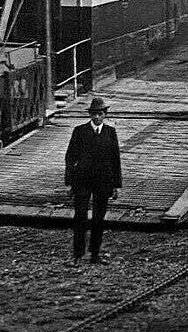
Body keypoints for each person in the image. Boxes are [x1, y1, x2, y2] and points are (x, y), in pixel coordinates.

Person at [65, 96, 122, 265]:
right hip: (82, 181)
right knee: (80, 216)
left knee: (99, 218)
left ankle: (95, 254)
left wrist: (116, 185)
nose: (97, 117)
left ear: (105, 115)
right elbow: (70, 157)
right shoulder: (80, 131)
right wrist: (69, 182)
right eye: (94, 114)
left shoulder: (110, 133)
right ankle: (78, 254)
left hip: (103, 182)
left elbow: (115, 160)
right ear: (90, 115)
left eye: (100, 114)